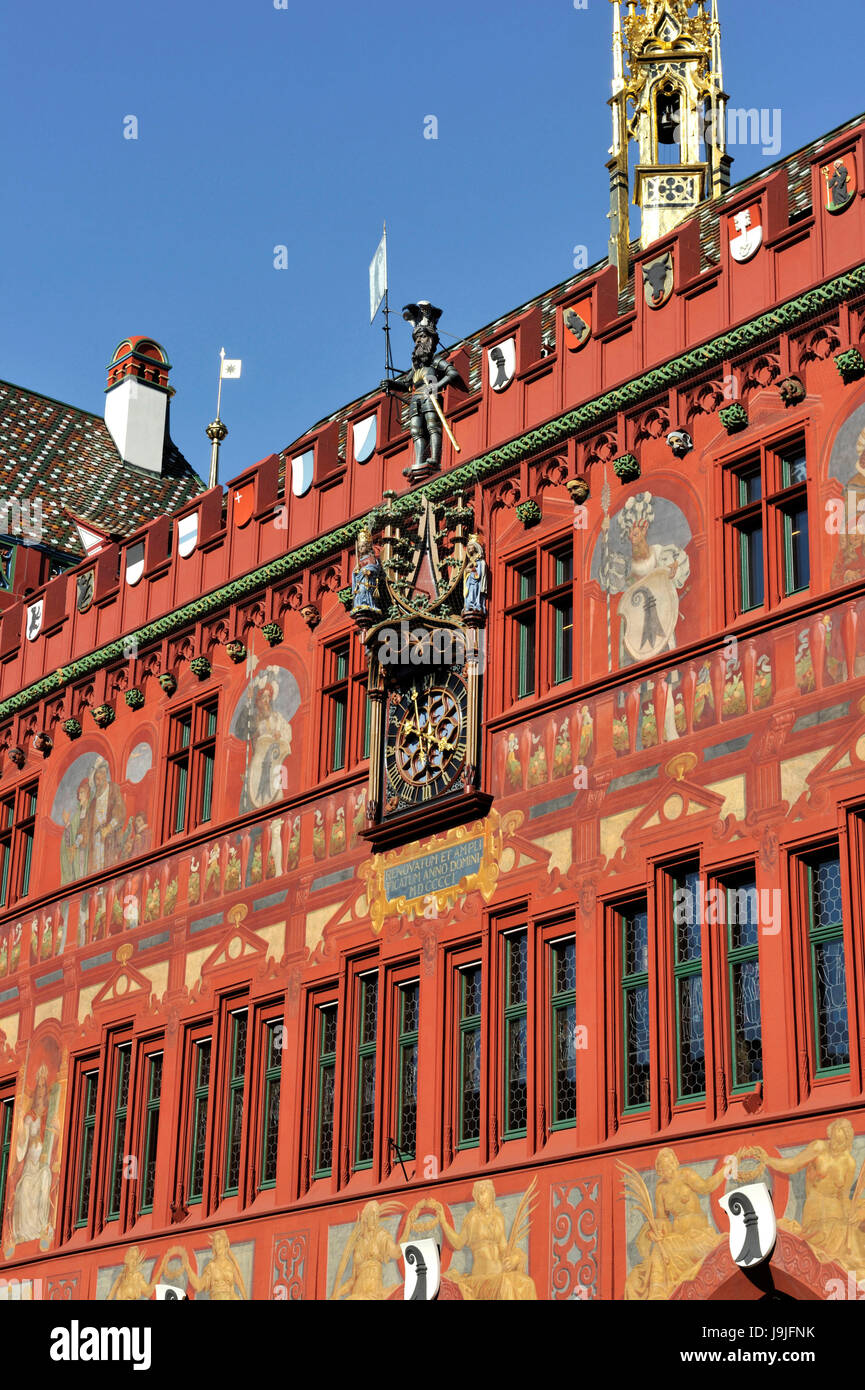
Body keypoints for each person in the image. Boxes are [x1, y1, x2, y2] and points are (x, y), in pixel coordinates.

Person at [622, 1148, 726, 1300]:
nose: (669, 1167)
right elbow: (662, 1220)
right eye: (664, 1166)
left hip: (699, 1239)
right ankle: (657, 1294)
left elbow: (706, 1187)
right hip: (678, 1241)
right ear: (659, 1170)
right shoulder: (661, 1190)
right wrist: (655, 1231)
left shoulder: (686, 1175)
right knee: (658, 1249)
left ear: (676, 1162)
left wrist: (725, 1170)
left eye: (671, 1163)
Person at [432, 1180, 537, 1300]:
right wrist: (444, 1222)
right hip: (482, 1279)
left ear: (491, 1194)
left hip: (499, 1273)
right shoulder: (472, 1218)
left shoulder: (498, 1217)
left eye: (484, 1193)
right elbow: (458, 1243)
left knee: (528, 1283)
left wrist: (514, 1259)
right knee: (506, 1284)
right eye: (479, 1195)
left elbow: (503, 1247)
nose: (481, 1198)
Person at [82, 758, 126, 874]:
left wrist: (109, 828)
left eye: (98, 777)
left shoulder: (113, 789)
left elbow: (120, 812)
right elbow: (86, 826)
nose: (97, 781)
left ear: (104, 774)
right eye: (95, 778)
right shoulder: (93, 803)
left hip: (110, 839)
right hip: (95, 843)